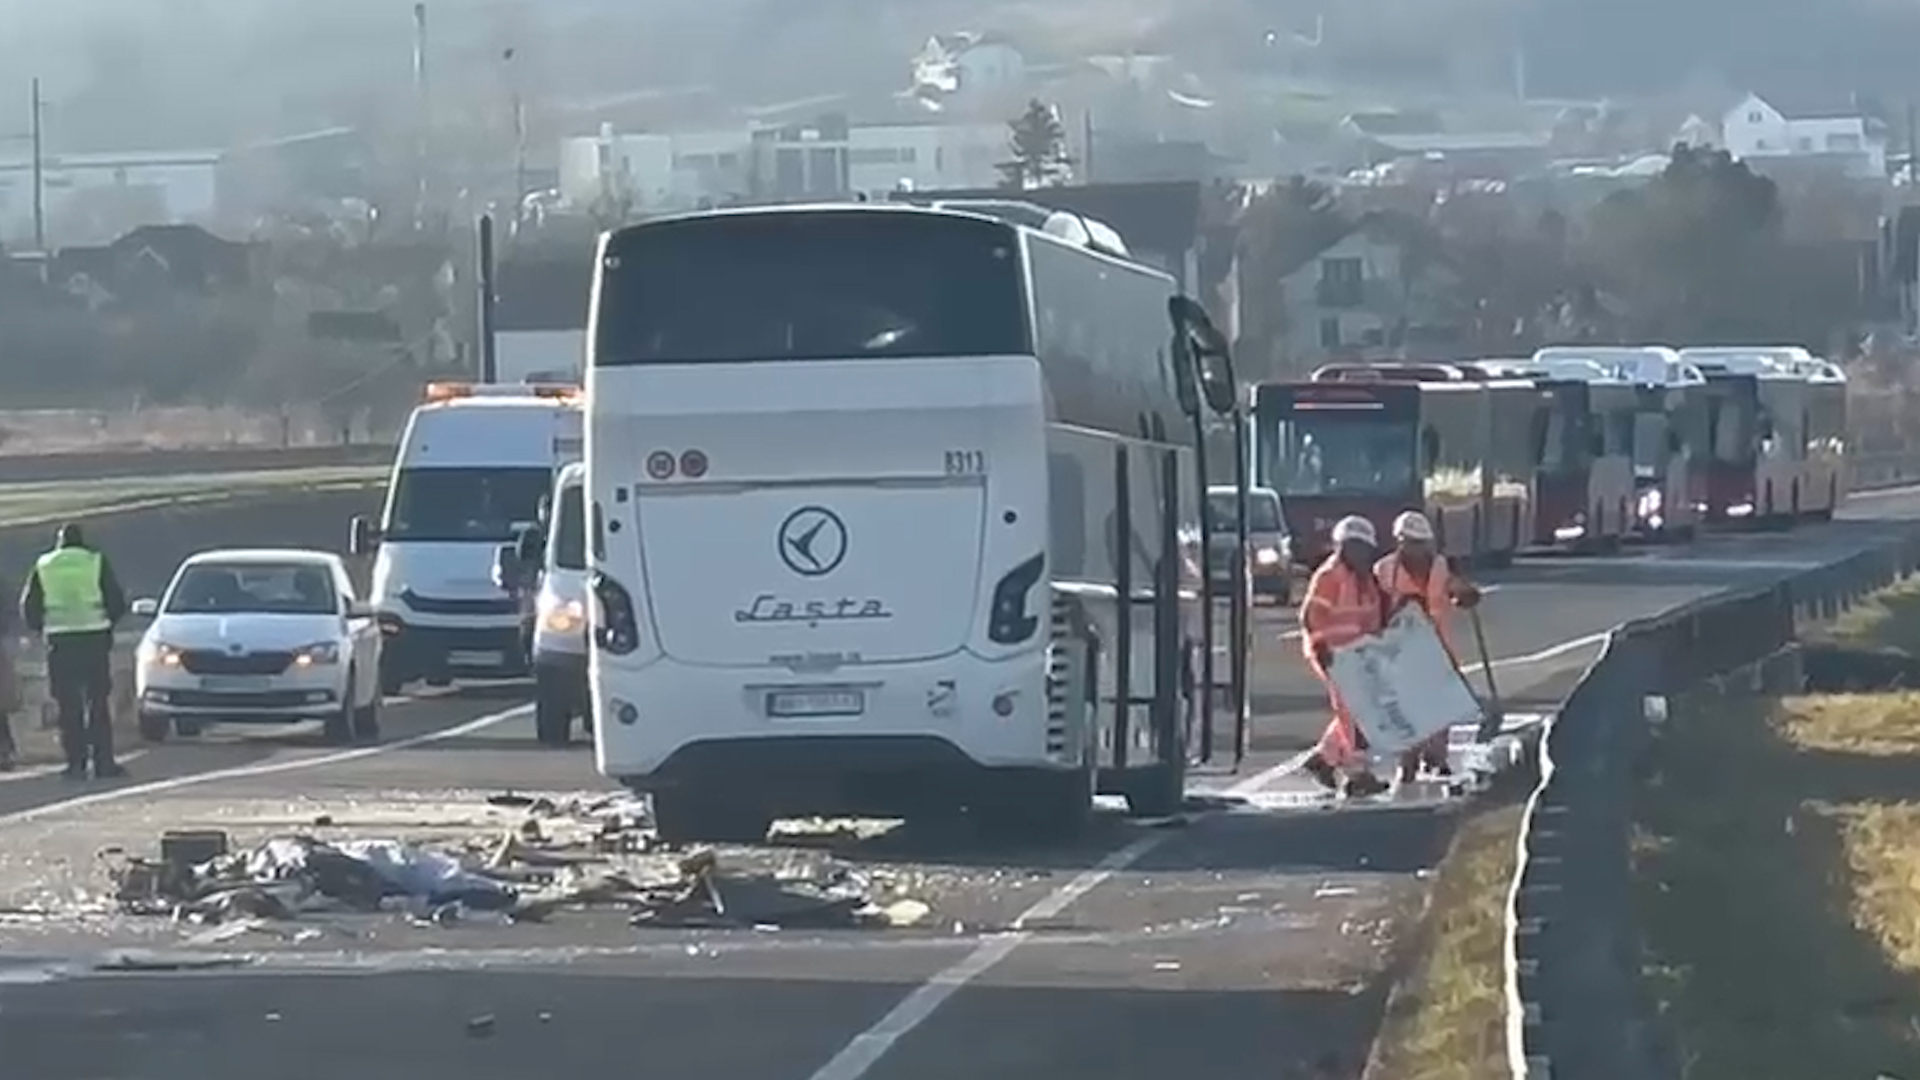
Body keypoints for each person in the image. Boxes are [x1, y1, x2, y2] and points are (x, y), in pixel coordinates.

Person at [1375, 510, 1483, 784]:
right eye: (1413, 544)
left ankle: (1437, 757)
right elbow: (1374, 607)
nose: (1419, 551)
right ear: (1400, 542)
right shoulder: (1384, 570)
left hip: (1438, 648)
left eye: (1423, 544)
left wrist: (1465, 595)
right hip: (1402, 651)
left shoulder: (1440, 566)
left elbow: (1454, 588)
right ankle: (1408, 761)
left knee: (1440, 705)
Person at [20, 523, 128, 780]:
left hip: (60, 642)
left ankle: (75, 764)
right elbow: (116, 601)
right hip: (94, 639)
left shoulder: (45, 565)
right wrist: (107, 623)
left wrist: (42, 629)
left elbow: (29, 607)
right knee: (97, 702)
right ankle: (103, 763)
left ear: (59, 542)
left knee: (68, 705)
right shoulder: (95, 561)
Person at [1298, 515, 1390, 797]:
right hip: (1333, 654)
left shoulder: (1366, 580)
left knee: (1356, 710)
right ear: (1341, 547)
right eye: (1353, 547)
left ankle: (1324, 758)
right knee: (1358, 714)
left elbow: (1372, 619)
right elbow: (1311, 616)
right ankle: (1357, 773)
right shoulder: (1330, 576)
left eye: (1363, 548)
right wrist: (1320, 647)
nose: (1360, 554)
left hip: (1357, 655)